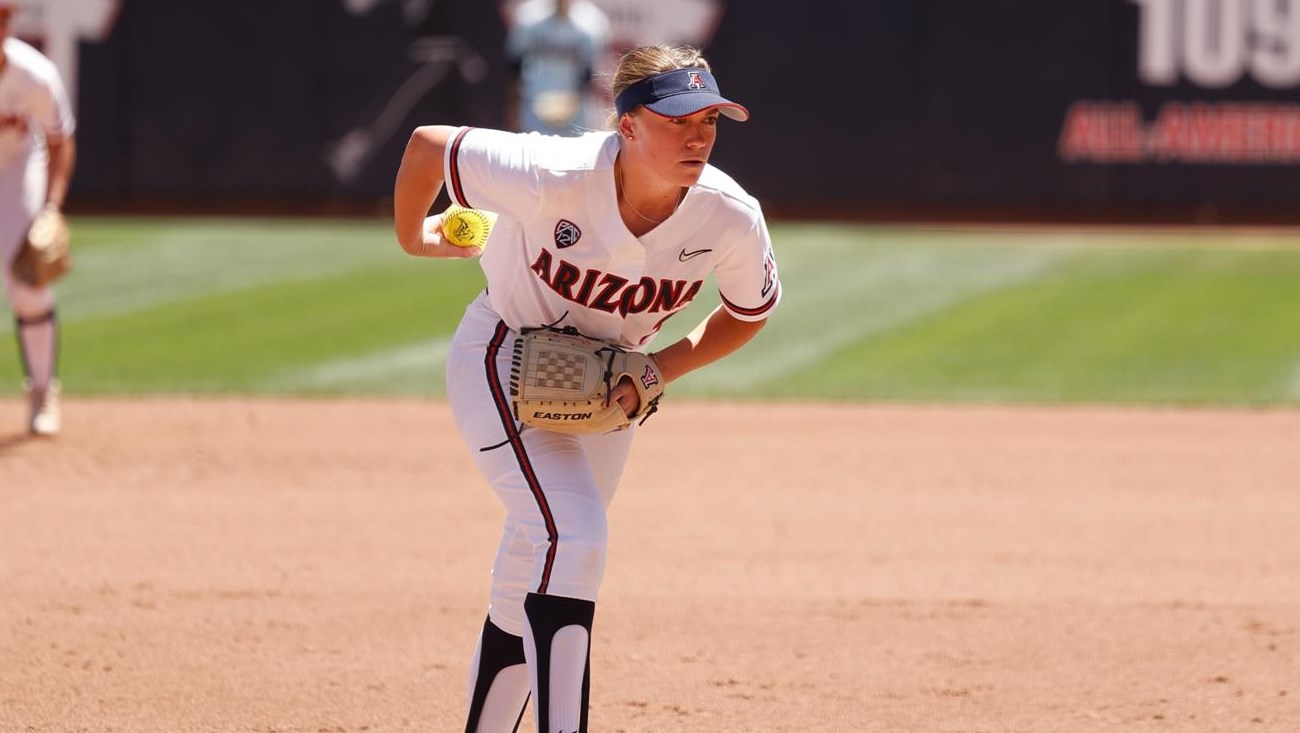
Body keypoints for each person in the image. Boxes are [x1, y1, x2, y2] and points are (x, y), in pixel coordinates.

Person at [393, 44, 781, 732]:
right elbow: (428, 146)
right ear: (627, 125)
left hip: (608, 396)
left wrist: (659, 369)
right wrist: (416, 239)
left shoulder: (728, 215)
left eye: (711, 121)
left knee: (539, 560)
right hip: (502, 358)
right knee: (573, 537)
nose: (699, 135)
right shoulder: (553, 172)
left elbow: (749, 312)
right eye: (679, 119)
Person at [0, 0, 76, 436]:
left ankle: (43, 390)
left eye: (1, 18)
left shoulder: (34, 74)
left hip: (17, 171)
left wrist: (52, 206)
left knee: (29, 283)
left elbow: (60, 139)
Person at [504, 0, 610, 135]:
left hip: (575, 107)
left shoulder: (592, 22)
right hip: (535, 102)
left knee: (573, 153)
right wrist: (513, 107)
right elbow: (515, 65)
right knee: (534, 152)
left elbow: (590, 72)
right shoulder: (529, 16)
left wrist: (573, 101)